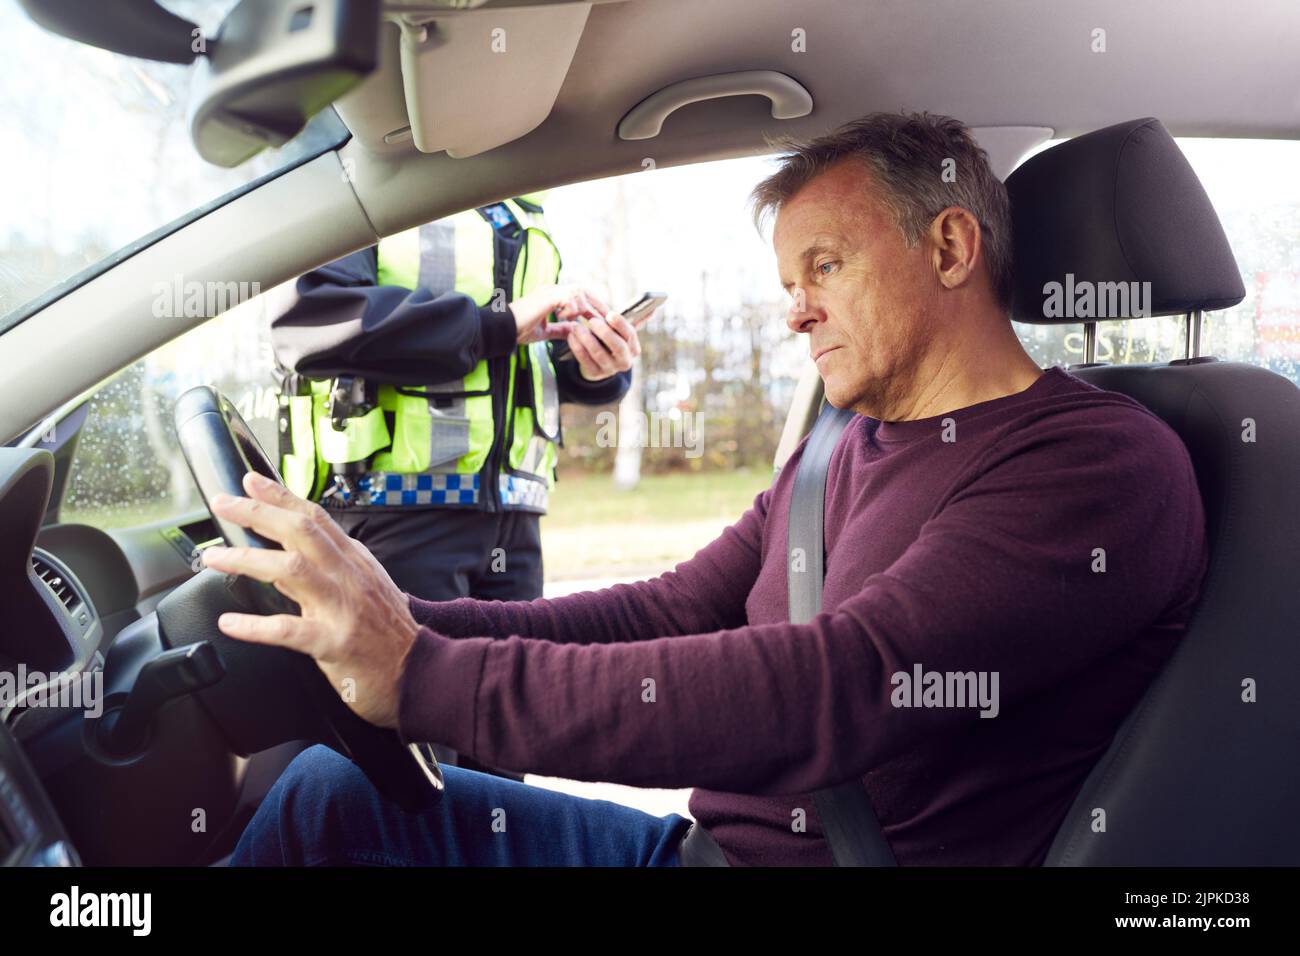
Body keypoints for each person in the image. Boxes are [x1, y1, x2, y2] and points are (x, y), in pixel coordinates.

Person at [209, 112, 1208, 867]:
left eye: (825, 265)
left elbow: (844, 681)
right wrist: (398, 619)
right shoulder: (844, 443)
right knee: (330, 797)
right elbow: (672, 607)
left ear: (949, 248)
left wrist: (425, 676)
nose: (794, 313)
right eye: (787, 283)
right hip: (703, 851)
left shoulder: (1098, 467)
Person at [267, 194, 645, 775]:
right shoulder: (373, 196)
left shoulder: (525, 208)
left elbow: (519, 361)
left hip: (514, 524)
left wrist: (592, 371)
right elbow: (312, 321)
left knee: (504, 755)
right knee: (405, 767)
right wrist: (497, 324)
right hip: (395, 520)